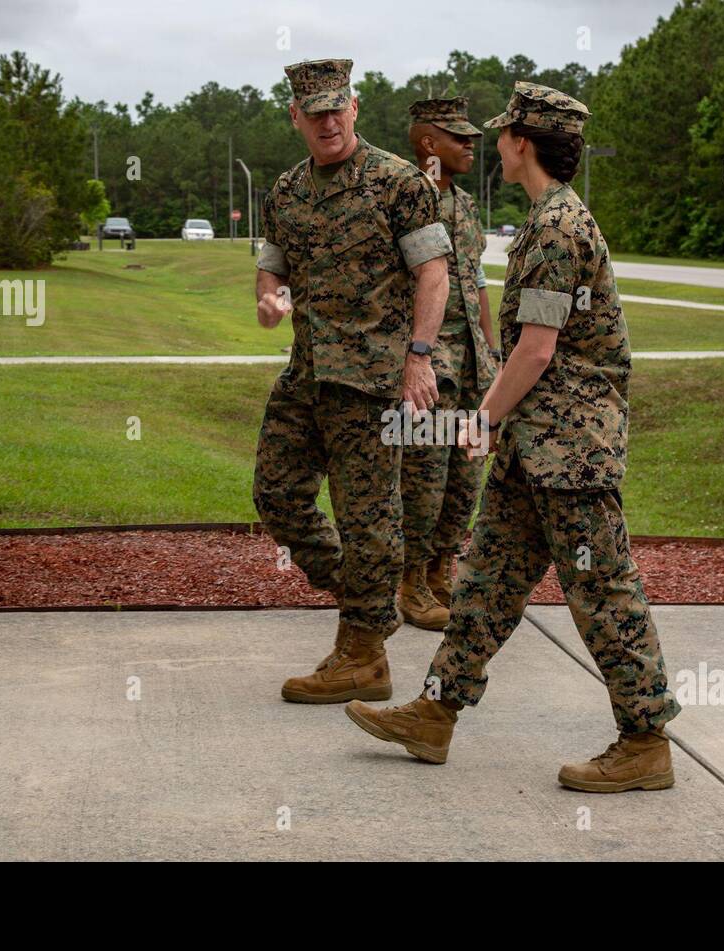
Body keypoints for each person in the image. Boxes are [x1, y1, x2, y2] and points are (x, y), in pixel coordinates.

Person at [346, 82, 683, 792]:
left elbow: (534, 349)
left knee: (603, 593)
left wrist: (482, 418)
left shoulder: (559, 228)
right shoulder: (546, 220)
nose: (493, 142)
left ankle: (645, 739)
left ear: (521, 143)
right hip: (539, 448)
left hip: (571, 450)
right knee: (487, 583)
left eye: (501, 133)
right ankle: (434, 715)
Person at [253, 59, 451, 704]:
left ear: (356, 108)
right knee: (277, 495)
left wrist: (419, 357)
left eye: (338, 109)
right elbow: (272, 269)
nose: (328, 121)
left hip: (373, 383)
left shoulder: (397, 182)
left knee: (370, 518)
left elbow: (433, 274)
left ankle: (362, 654)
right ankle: (368, 597)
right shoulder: (285, 191)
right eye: (315, 113)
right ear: (296, 118)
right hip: (308, 374)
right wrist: (271, 300)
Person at [397, 97, 498, 630]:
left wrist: (493, 348)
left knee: (464, 482)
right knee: (423, 483)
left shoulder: (463, 203)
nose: (471, 146)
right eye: (459, 137)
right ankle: (410, 584)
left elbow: (476, 281)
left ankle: (440, 573)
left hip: (473, 368)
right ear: (428, 143)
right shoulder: (400, 197)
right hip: (430, 371)